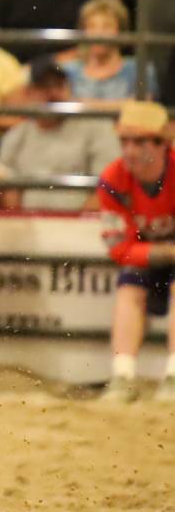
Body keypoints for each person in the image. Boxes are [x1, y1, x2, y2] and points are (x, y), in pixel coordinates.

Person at [93, 100, 175, 402]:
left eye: (140, 142)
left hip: (149, 249)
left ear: (162, 143)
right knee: (130, 286)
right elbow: (117, 247)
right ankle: (123, 377)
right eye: (124, 141)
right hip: (151, 254)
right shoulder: (113, 179)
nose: (129, 151)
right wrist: (166, 252)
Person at [0, 59, 122, 210]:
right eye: (43, 87)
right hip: (29, 220)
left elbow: (109, 185)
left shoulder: (96, 127)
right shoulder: (16, 137)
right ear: (28, 93)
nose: (53, 93)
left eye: (59, 85)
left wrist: (78, 221)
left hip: (83, 220)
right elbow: (10, 194)